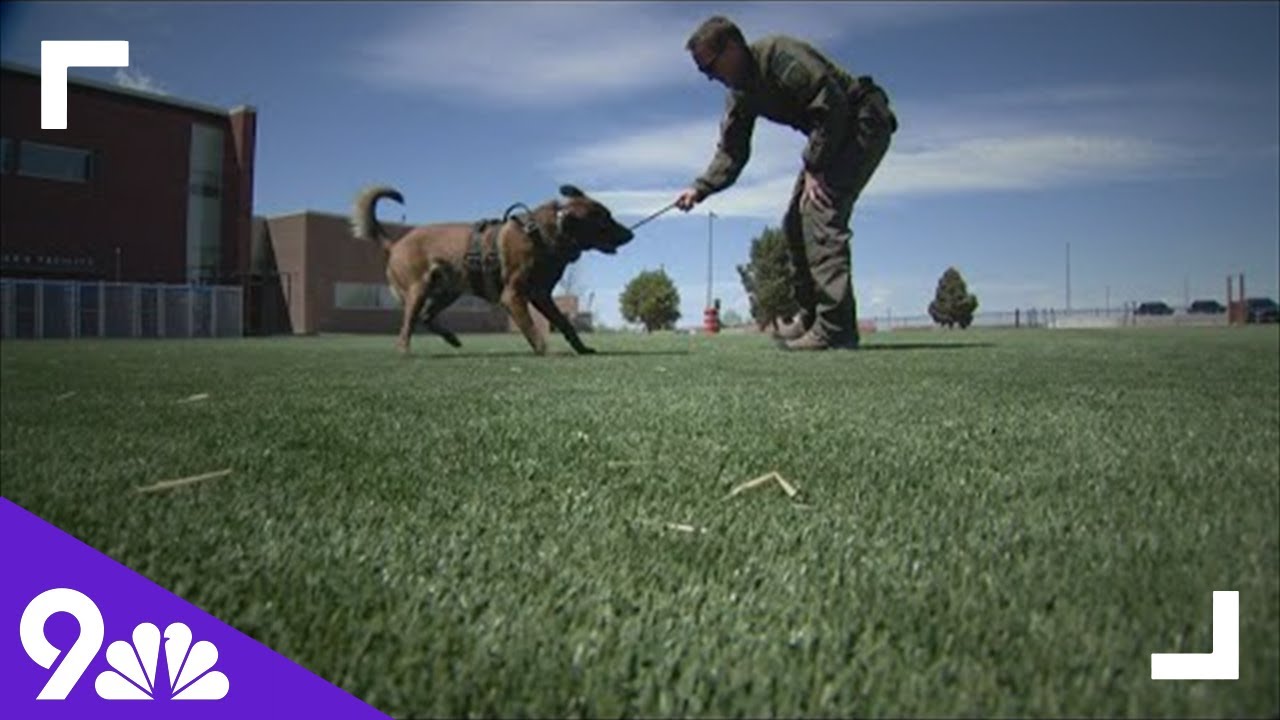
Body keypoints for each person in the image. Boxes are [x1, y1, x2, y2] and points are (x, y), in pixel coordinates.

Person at [674, 16, 897, 350]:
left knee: (820, 214)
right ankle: (812, 318)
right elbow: (732, 153)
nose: (709, 77)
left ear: (732, 48)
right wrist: (700, 188)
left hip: (862, 122)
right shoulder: (741, 94)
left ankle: (836, 330)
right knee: (794, 224)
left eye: (710, 66)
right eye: (703, 72)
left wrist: (815, 165)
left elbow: (831, 103)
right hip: (830, 137)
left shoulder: (779, 55)